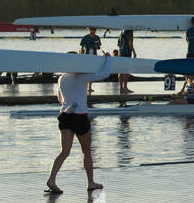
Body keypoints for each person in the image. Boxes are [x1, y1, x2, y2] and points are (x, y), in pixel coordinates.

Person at [45, 54, 112, 194]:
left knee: (65, 151)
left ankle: (51, 179)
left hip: (65, 116)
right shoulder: (82, 76)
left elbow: (60, 99)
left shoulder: (61, 78)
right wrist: (108, 59)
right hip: (80, 117)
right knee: (86, 151)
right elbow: (105, 74)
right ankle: (91, 183)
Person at [115, 28, 136, 95]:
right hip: (127, 52)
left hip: (121, 52)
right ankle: (125, 87)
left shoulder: (121, 31)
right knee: (126, 70)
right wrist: (134, 52)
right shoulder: (130, 31)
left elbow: (118, 44)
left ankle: (121, 88)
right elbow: (130, 43)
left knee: (121, 71)